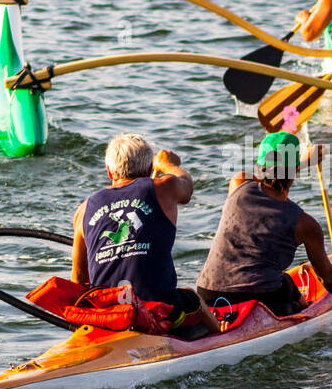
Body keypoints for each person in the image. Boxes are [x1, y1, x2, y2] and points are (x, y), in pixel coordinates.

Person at [197, 132, 332, 325]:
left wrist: (303, 161)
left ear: (259, 166)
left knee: (286, 283)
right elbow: (327, 277)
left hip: (207, 293)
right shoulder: (305, 225)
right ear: (295, 170)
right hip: (254, 300)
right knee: (287, 289)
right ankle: (302, 309)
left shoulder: (238, 184)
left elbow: (266, 176)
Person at [71, 134, 221, 334]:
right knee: (191, 296)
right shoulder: (164, 186)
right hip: (157, 309)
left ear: (109, 172)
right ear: (151, 169)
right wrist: (170, 165)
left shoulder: (83, 209)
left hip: (107, 314)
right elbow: (187, 186)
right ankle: (222, 338)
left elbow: (79, 279)